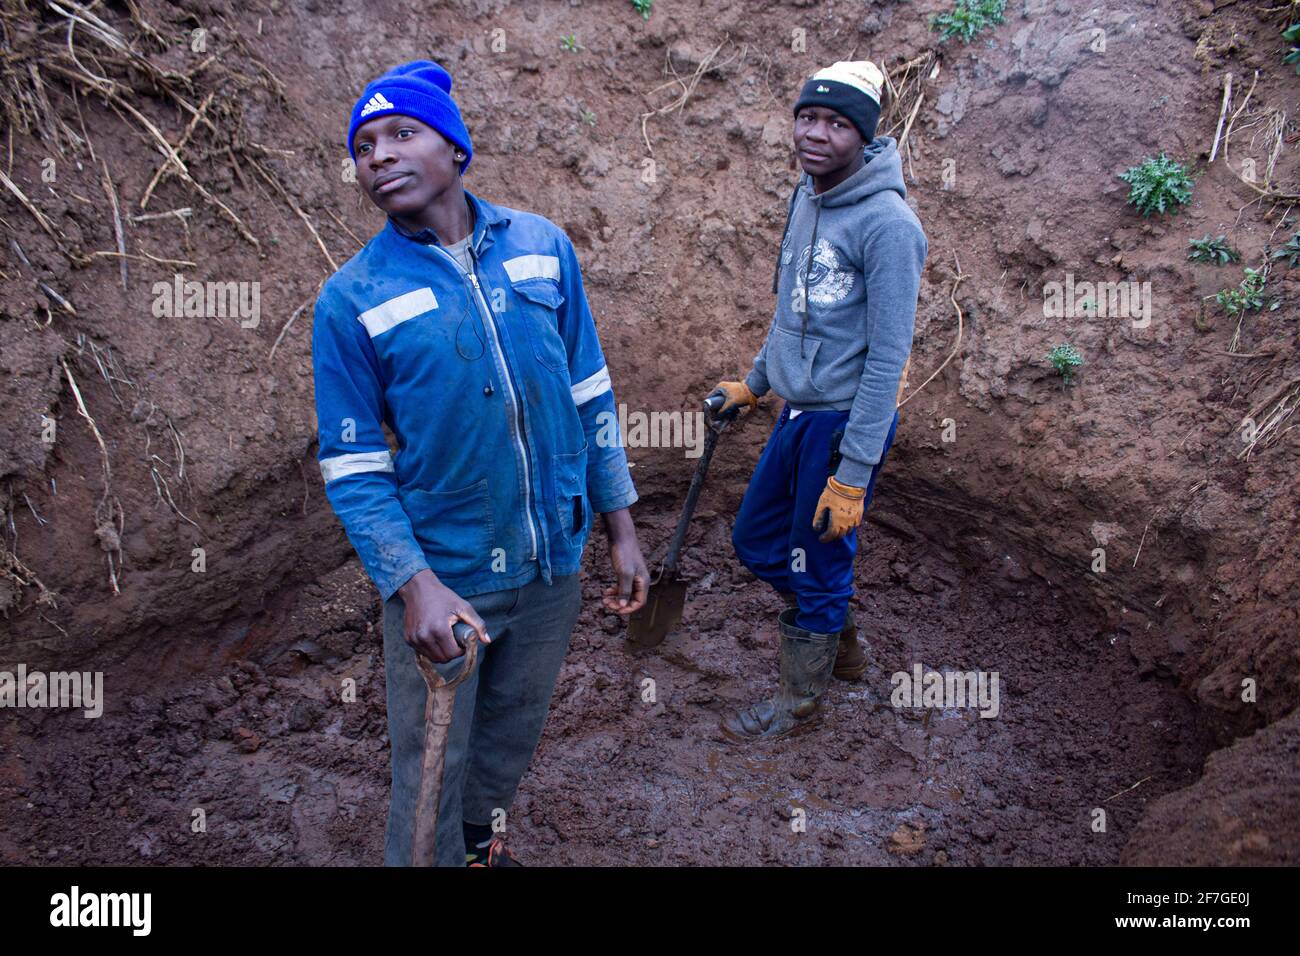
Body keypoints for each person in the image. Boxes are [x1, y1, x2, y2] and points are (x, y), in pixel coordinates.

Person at [311, 60, 649, 864]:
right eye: (363, 147)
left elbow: (590, 392)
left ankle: (475, 850)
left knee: (507, 742)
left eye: (402, 133)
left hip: (552, 566)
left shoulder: (542, 248)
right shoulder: (352, 299)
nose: (379, 156)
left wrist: (621, 527)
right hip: (450, 581)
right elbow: (354, 468)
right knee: (429, 770)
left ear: (455, 148)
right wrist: (414, 585)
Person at [709, 60, 928, 742]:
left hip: (843, 422)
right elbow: (792, 310)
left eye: (836, 124)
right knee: (755, 540)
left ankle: (800, 702)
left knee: (822, 557)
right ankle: (837, 637)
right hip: (797, 412)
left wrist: (853, 474)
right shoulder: (805, 197)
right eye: (808, 117)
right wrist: (756, 383)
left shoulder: (890, 227)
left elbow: (888, 358)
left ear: (865, 136)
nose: (816, 133)